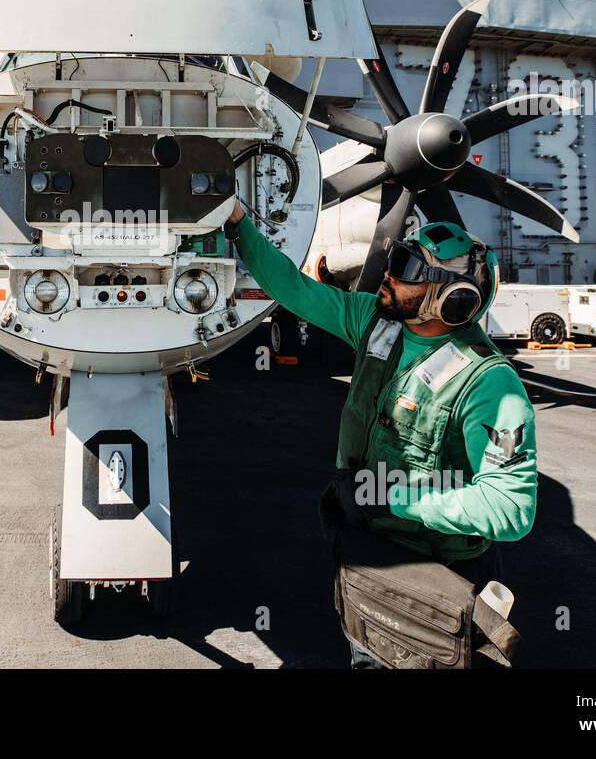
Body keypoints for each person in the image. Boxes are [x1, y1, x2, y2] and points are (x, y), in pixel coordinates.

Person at [225, 202, 537, 668]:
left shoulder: (489, 383)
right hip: (369, 557)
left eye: (406, 268)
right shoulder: (376, 322)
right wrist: (239, 225)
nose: (387, 275)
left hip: (438, 580)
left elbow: (509, 509)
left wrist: (386, 496)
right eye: (394, 260)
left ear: (452, 298)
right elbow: (292, 288)